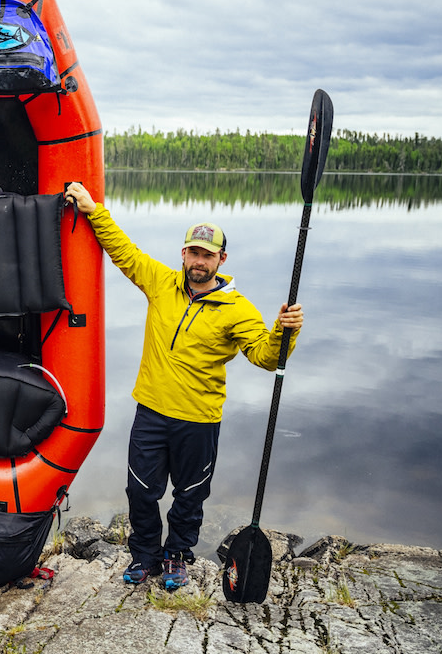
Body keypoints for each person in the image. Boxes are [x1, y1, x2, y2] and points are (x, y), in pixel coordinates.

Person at [64, 181, 304, 590]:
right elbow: (123, 251)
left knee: (189, 497)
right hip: (151, 411)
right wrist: (92, 210)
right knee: (140, 491)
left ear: (221, 259)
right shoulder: (161, 283)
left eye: (207, 255)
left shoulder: (237, 309)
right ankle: (144, 555)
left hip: (198, 420)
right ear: (184, 253)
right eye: (193, 252)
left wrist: (284, 332)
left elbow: (265, 358)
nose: (199, 261)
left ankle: (177, 557)